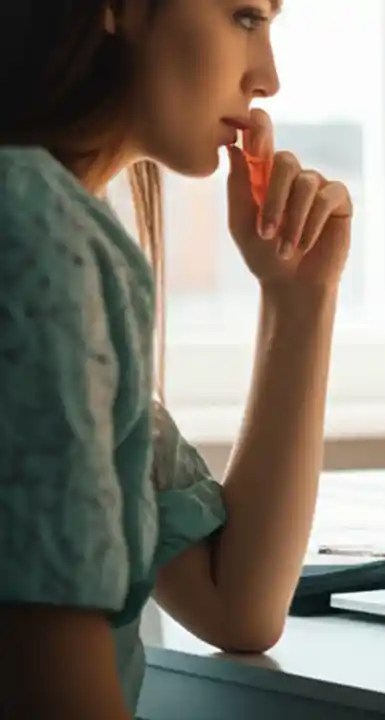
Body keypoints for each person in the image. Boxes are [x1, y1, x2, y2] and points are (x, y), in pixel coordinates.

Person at [0, 2, 354, 717]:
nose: (269, 79)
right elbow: (50, 689)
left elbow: (237, 604)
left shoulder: (59, 231)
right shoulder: (33, 231)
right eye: (245, 17)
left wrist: (300, 295)